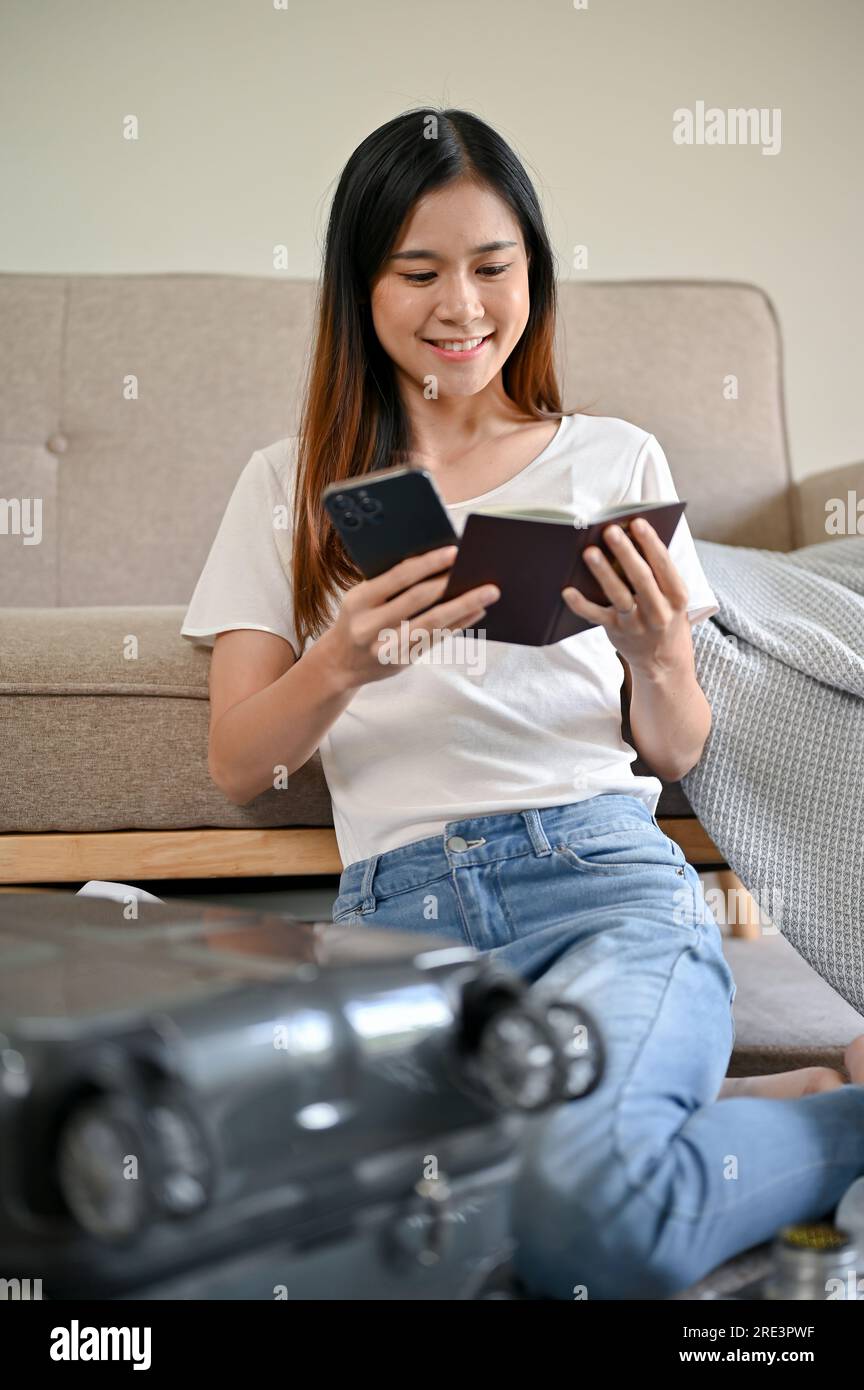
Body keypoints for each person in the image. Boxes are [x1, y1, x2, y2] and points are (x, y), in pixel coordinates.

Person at [180, 107, 864, 1299]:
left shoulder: (612, 458)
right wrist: (343, 658)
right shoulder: (287, 484)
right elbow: (240, 759)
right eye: (420, 272)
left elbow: (679, 745)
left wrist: (660, 655)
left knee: (582, 1237)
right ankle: (750, 1113)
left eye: (494, 268)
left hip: (604, 883)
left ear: (534, 276)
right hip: (398, 921)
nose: (463, 307)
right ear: (361, 285)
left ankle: (818, 1121)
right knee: (385, 1247)